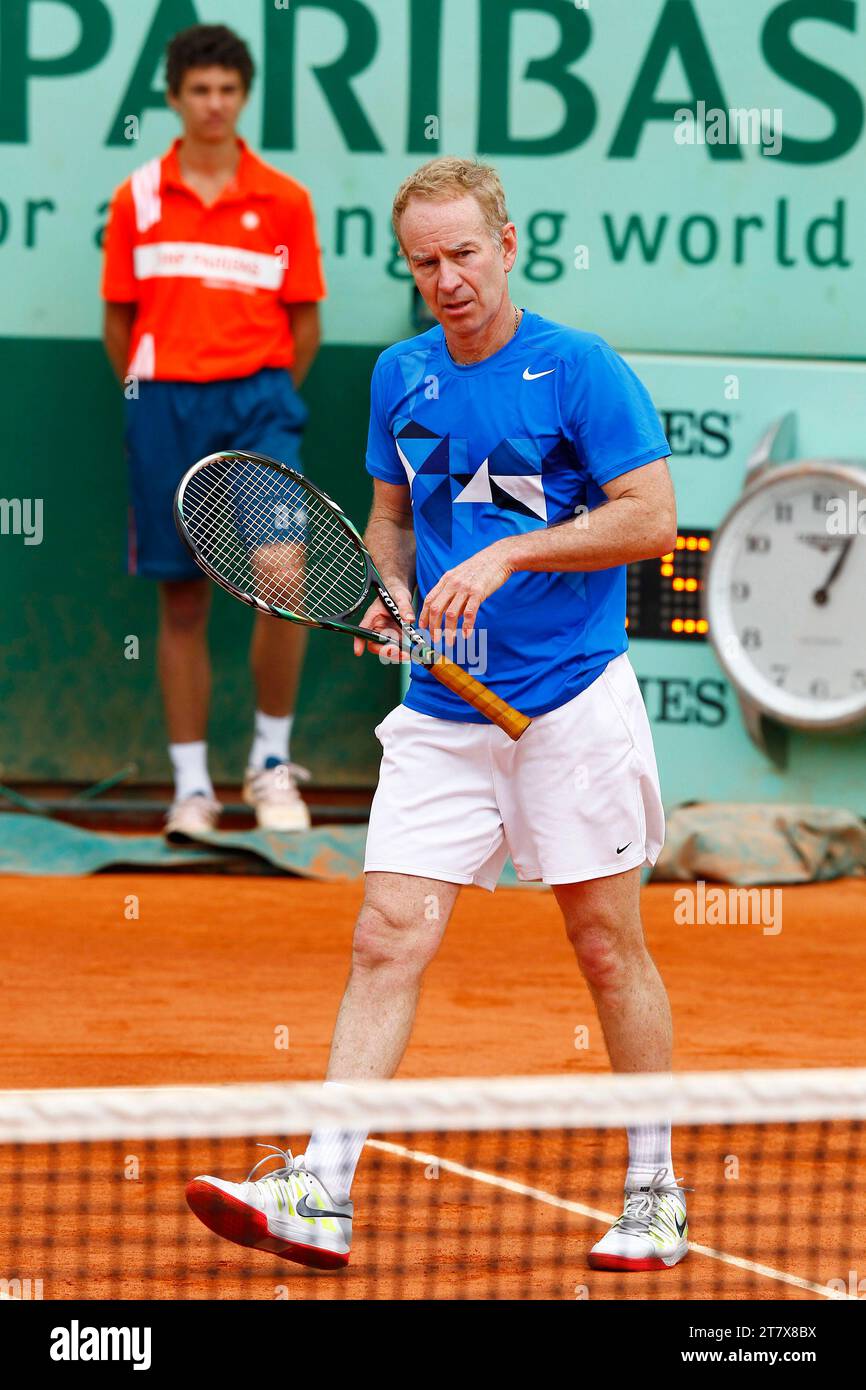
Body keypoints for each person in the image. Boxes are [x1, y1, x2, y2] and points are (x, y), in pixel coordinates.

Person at [186, 156, 686, 1275]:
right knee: (383, 938)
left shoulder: (577, 370)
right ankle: (319, 1187)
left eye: (464, 252)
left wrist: (511, 551)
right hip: (439, 709)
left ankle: (652, 1192)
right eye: (424, 261)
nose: (447, 277)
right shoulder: (399, 375)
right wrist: (385, 595)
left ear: (507, 244)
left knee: (605, 947)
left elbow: (650, 518)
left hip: (568, 702)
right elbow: (389, 519)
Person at [101, 23, 326, 838]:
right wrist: (160, 392)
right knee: (184, 599)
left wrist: (252, 391)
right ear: (174, 96)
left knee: (284, 575)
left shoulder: (286, 201)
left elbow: (305, 330)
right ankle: (191, 788)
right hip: (162, 405)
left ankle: (270, 764)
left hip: (260, 406)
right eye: (199, 90)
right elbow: (117, 324)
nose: (214, 104)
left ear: (243, 97)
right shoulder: (138, 198)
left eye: (228, 90)